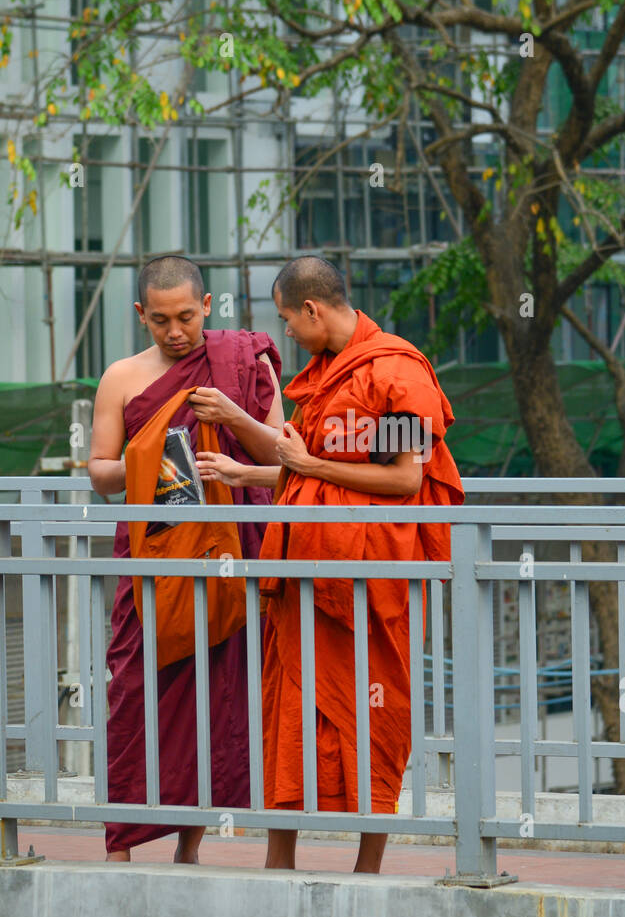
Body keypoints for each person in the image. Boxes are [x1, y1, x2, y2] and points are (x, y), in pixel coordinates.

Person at [198, 256, 463, 874]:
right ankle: (278, 862)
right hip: (304, 576)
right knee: (287, 711)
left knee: (371, 713)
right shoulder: (321, 375)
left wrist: (306, 467)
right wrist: (250, 472)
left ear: (313, 310)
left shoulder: (396, 373)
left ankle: (367, 868)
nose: (286, 331)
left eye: (288, 319)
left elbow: (399, 479)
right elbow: (310, 474)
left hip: (370, 579)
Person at [88, 254, 284, 863]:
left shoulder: (243, 364)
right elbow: (100, 473)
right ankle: (120, 843)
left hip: (231, 556)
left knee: (218, 696)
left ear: (207, 306)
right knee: (136, 693)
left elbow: (284, 458)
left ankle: (190, 844)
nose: (176, 333)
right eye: (161, 321)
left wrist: (232, 416)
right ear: (141, 315)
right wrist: (155, 460)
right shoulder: (121, 377)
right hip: (152, 557)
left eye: (186, 319)